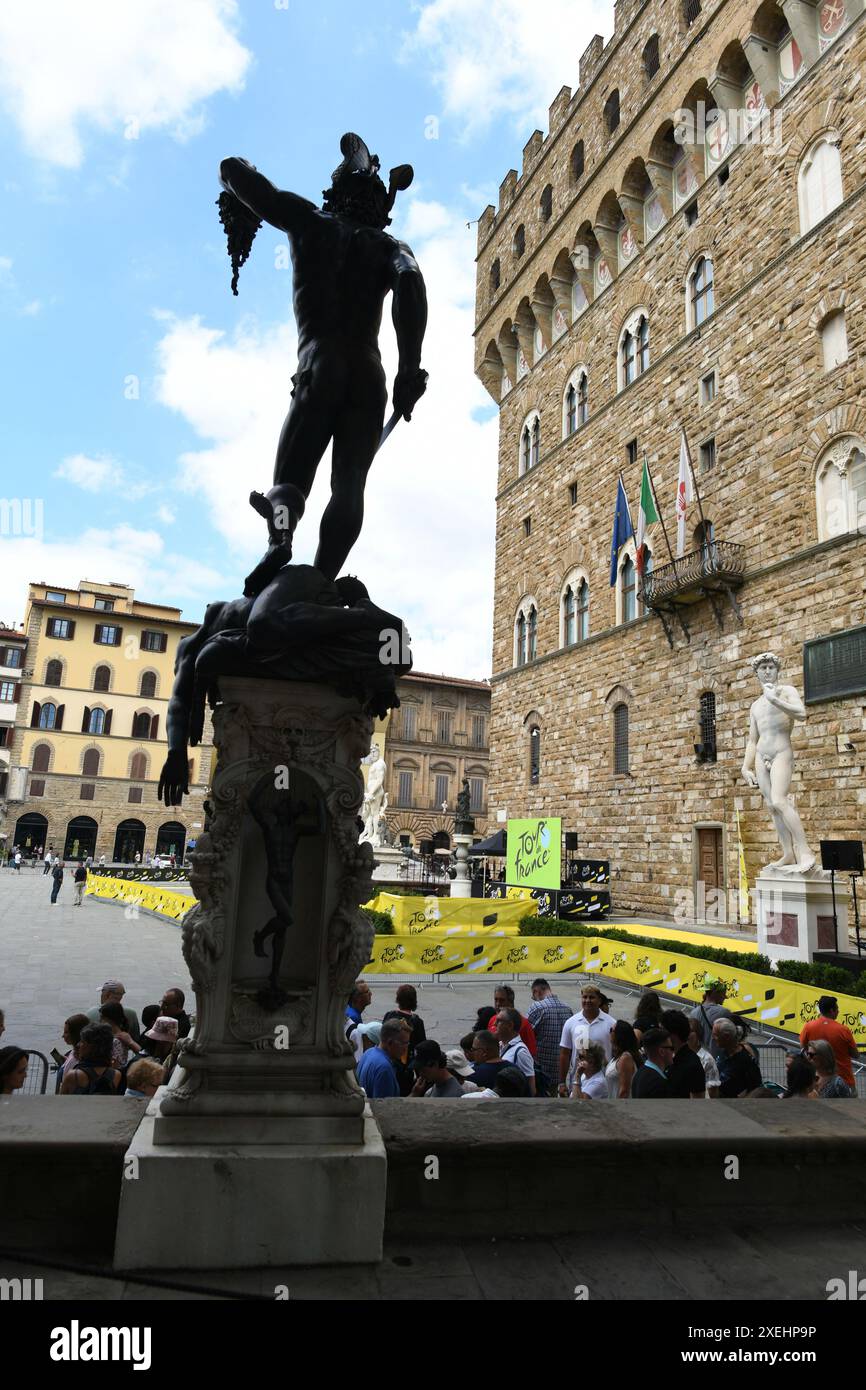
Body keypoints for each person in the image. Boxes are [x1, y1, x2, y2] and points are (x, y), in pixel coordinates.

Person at [558, 985, 616, 1096]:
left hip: (602, 1083)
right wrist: (561, 1083)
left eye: (591, 997)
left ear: (599, 1000)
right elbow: (564, 1053)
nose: (587, 1000)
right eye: (584, 997)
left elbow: (616, 1052)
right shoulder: (571, 1022)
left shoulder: (611, 1023)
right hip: (577, 1081)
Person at [799, 996, 859, 1092]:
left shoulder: (808, 1026)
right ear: (832, 1011)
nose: (838, 1012)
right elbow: (855, 1054)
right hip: (843, 1079)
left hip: (817, 1079)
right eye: (837, 1009)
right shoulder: (843, 1030)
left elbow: (803, 1047)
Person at [527, 978, 572, 1091]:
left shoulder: (537, 1008)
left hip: (540, 1072)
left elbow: (524, 1034)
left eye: (534, 996)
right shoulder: (568, 1009)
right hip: (560, 1072)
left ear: (536, 992)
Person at [60, 1024, 121, 1095]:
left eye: (82, 1041)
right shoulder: (116, 1075)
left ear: (91, 1047)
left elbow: (61, 1103)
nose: (78, 1045)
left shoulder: (73, 1076)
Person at [356, 1017, 410, 1098]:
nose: (406, 1048)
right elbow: (384, 1108)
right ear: (390, 1042)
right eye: (404, 1043)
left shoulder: (368, 1053)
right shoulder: (384, 1068)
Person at [661, 1010, 706, 1098]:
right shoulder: (669, 1056)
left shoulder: (692, 1065)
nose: (660, 1036)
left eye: (662, 1031)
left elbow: (697, 1100)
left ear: (673, 1035)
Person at [713, 1018, 762, 1097]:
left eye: (716, 1035)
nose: (713, 1038)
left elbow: (755, 1085)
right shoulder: (722, 1052)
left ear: (727, 1037)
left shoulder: (745, 1059)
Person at [688, 979, 735, 1058]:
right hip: (719, 1058)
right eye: (723, 994)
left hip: (700, 1058)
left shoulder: (693, 1012)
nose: (725, 997)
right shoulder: (724, 1013)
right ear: (714, 993)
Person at [494, 1008, 536, 1095]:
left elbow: (531, 1089)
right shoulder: (499, 1045)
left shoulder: (521, 1052)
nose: (495, 1024)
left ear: (510, 1025)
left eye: (499, 1021)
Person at [486, 985, 536, 1055]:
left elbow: (531, 1053)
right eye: (496, 999)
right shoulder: (492, 1019)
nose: (498, 1004)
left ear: (511, 1002)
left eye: (502, 1000)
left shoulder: (524, 1024)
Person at [382, 983, 426, 1060]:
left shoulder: (389, 1015)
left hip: (388, 1057)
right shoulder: (417, 1022)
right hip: (406, 1062)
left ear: (398, 999)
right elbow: (421, 1047)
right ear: (414, 1000)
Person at [631, 1028, 674, 1097]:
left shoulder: (639, 1074)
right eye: (671, 1048)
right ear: (662, 1051)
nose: (673, 1052)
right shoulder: (659, 1083)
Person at [99, 1001, 142, 1068]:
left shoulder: (116, 1040)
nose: (100, 1020)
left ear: (109, 1019)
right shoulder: (121, 1036)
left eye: (102, 1017)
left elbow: (115, 1065)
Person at [687, 1014, 721, 1098]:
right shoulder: (678, 1055)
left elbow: (713, 1092)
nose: (686, 1035)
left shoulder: (707, 1059)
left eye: (690, 1031)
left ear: (698, 1035)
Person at [605, 1019, 640, 1099]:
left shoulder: (625, 1058)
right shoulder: (619, 1056)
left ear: (619, 1035)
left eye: (611, 1030)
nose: (609, 1033)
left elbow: (624, 1091)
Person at [60, 1013, 92, 1079]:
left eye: (66, 1032)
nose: (63, 1036)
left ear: (75, 1034)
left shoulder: (80, 1060)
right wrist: (67, 1061)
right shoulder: (75, 1052)